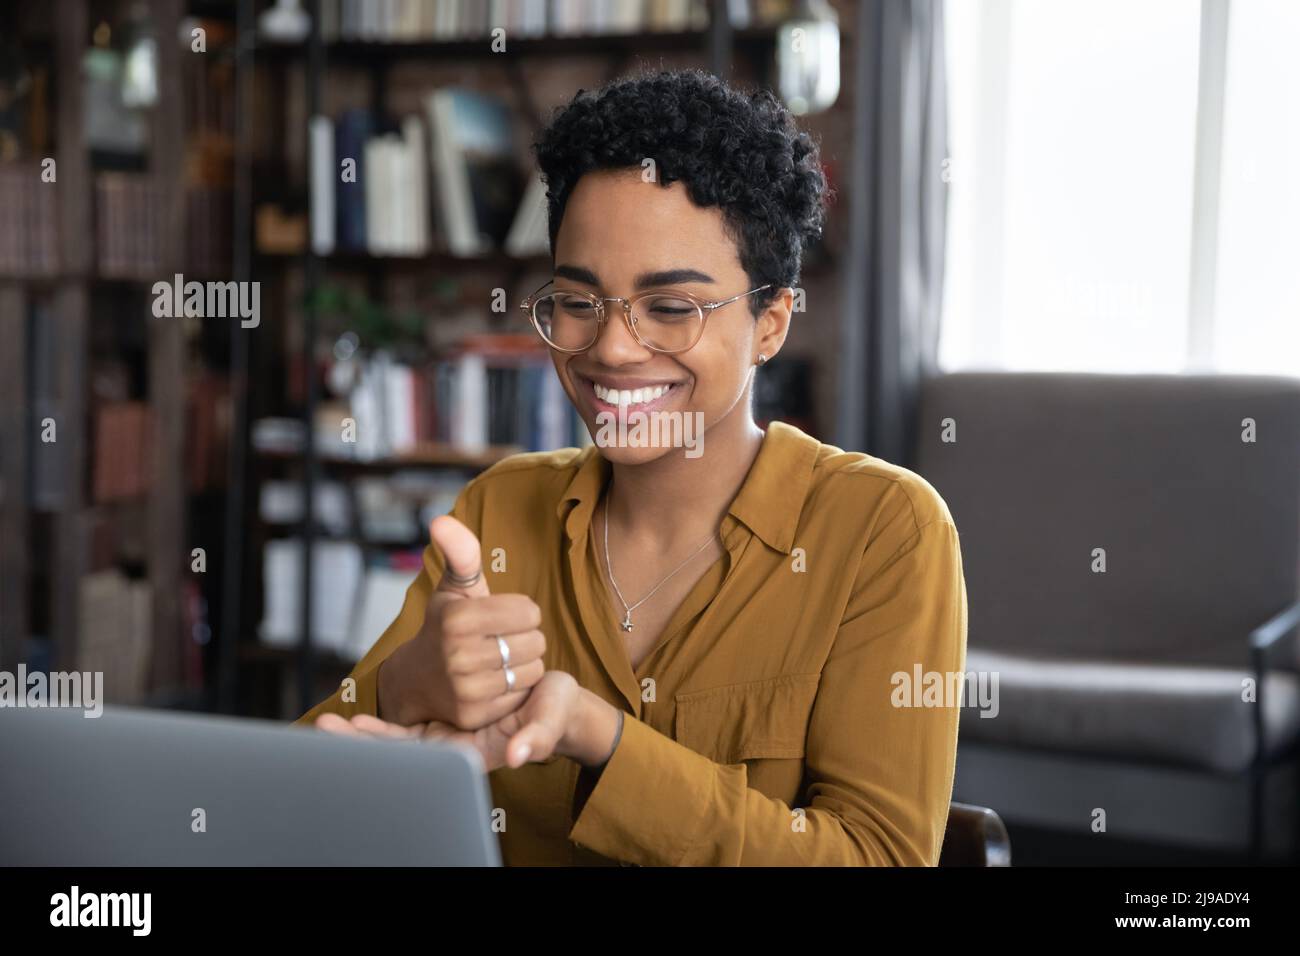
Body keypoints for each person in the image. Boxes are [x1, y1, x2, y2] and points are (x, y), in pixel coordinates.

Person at [298, 68, 967, 866]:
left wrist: (601, 739)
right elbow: (294, 797)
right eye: (579, 303)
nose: (612, 348)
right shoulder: (499, 513)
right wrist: (409, 686)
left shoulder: (882, 532)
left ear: (771, 322)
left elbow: (880, 858)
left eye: (672, 308)